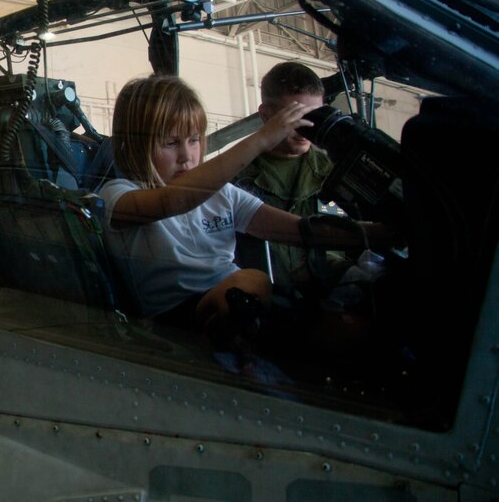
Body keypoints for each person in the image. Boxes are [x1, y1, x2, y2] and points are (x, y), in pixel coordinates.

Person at [98, 76, 384, 342]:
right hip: (176, 318)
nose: (187, 156)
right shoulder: (118, 196)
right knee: (253, 278)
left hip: (240, 298)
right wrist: (260, 140)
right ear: (136, 145)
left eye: (194, 139)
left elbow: (299, 230)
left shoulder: (224, 195)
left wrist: (377, 234)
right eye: (171, 143)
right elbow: (170, 201)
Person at [232, 62, 341, 294]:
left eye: (315, 116)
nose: (307, 127)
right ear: (265, 115)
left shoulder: (334, 175)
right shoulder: (235, 177)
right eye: (295, 117)